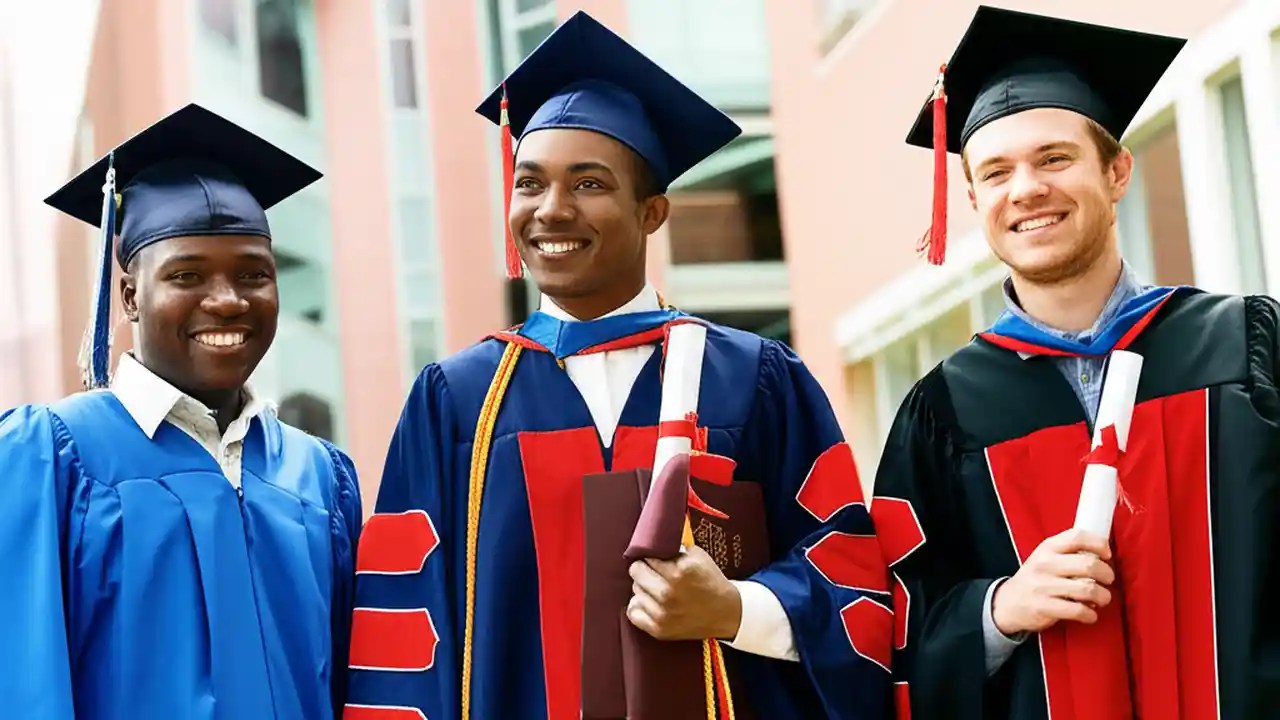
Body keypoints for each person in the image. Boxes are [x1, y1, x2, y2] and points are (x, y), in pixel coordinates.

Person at [344, 11, 890, 720]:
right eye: (529, 183)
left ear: (653, 211)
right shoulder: (457, 400)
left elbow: (851, 576)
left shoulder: (754, 380)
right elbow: (401, 628)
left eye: (590, 184)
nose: (551, 210)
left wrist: (736, 609)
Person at [873, 6, 1279, 719]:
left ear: (1117, 172)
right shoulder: (945, 413)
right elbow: (895, 626)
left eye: (1054, 158)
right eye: (996, 172)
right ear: (973, 199)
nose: (1026, 189)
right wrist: (1000, 609)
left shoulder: (1244, 345)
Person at [0, 104, 363, 719]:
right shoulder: (51, 457)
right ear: (131, 296)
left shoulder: (320, 474)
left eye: (253, 274)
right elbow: (22, 679)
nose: (226, 301)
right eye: (187, 275)